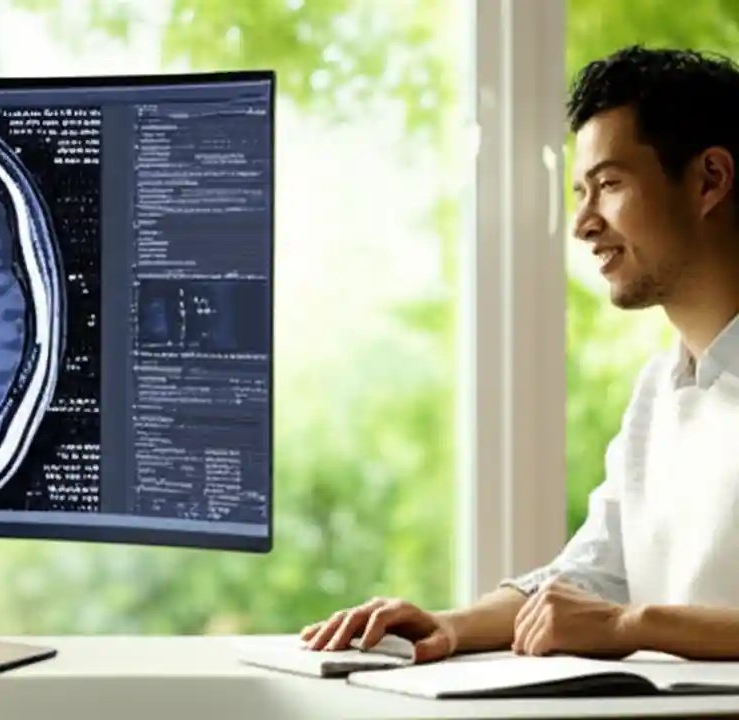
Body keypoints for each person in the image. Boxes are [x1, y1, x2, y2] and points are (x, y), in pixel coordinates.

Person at [302, 45, 739, 664]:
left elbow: (611, 614)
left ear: (710, 180)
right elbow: (592, 575)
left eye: (610, 184)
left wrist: (630, 627)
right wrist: (450, 626)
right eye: (581, 192)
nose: (584, 222)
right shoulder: (659, 390)